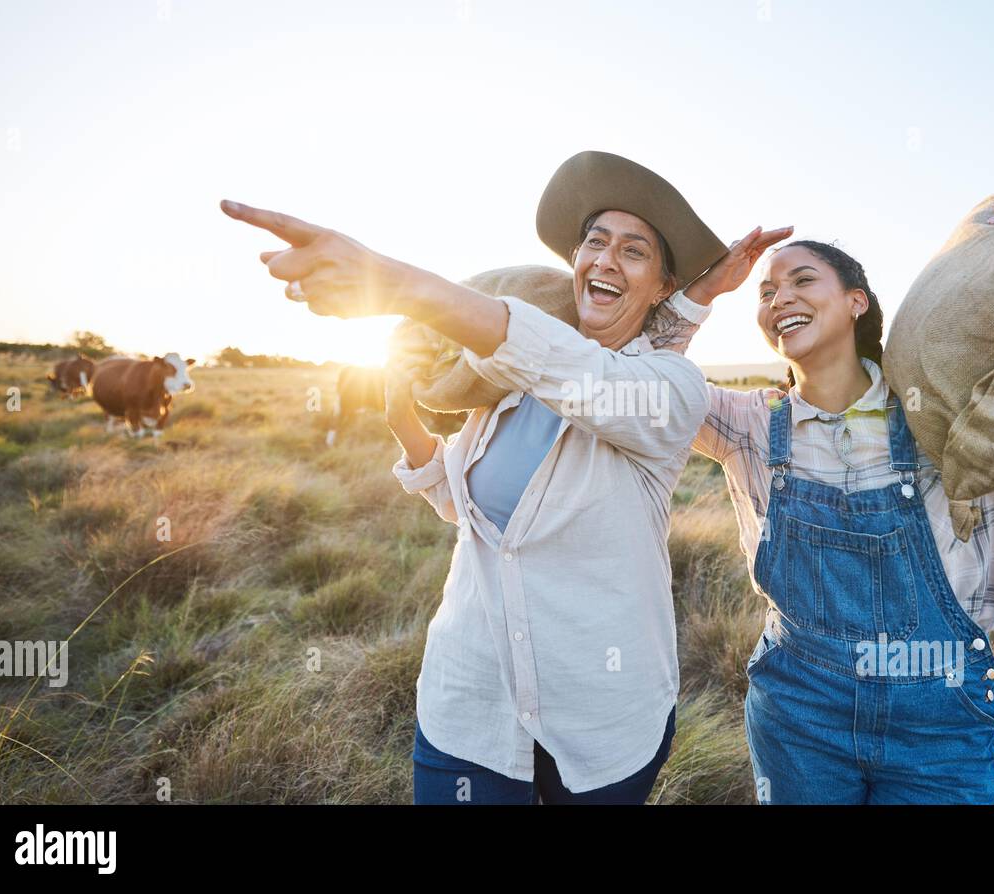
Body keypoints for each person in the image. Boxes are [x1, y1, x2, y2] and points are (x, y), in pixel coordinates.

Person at [222, 150, 788, 804]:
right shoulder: (502, 392)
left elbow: (588, 376)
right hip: (469, 704)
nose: (604, 259)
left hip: (603, 719)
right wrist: (405, 426)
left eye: (633, 252)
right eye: (595, 242)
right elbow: (475, 518)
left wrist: (394, 283)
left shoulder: (671, 390)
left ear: (662, 287)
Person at [651, 204, 994, 803]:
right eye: (765, 291)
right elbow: (639, 381)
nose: (778, 298)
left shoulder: (957, 414)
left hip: (939, 722)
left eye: (803, 280)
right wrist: (704, 292)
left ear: (857, 301)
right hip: (798, 714)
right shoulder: (746, 424)